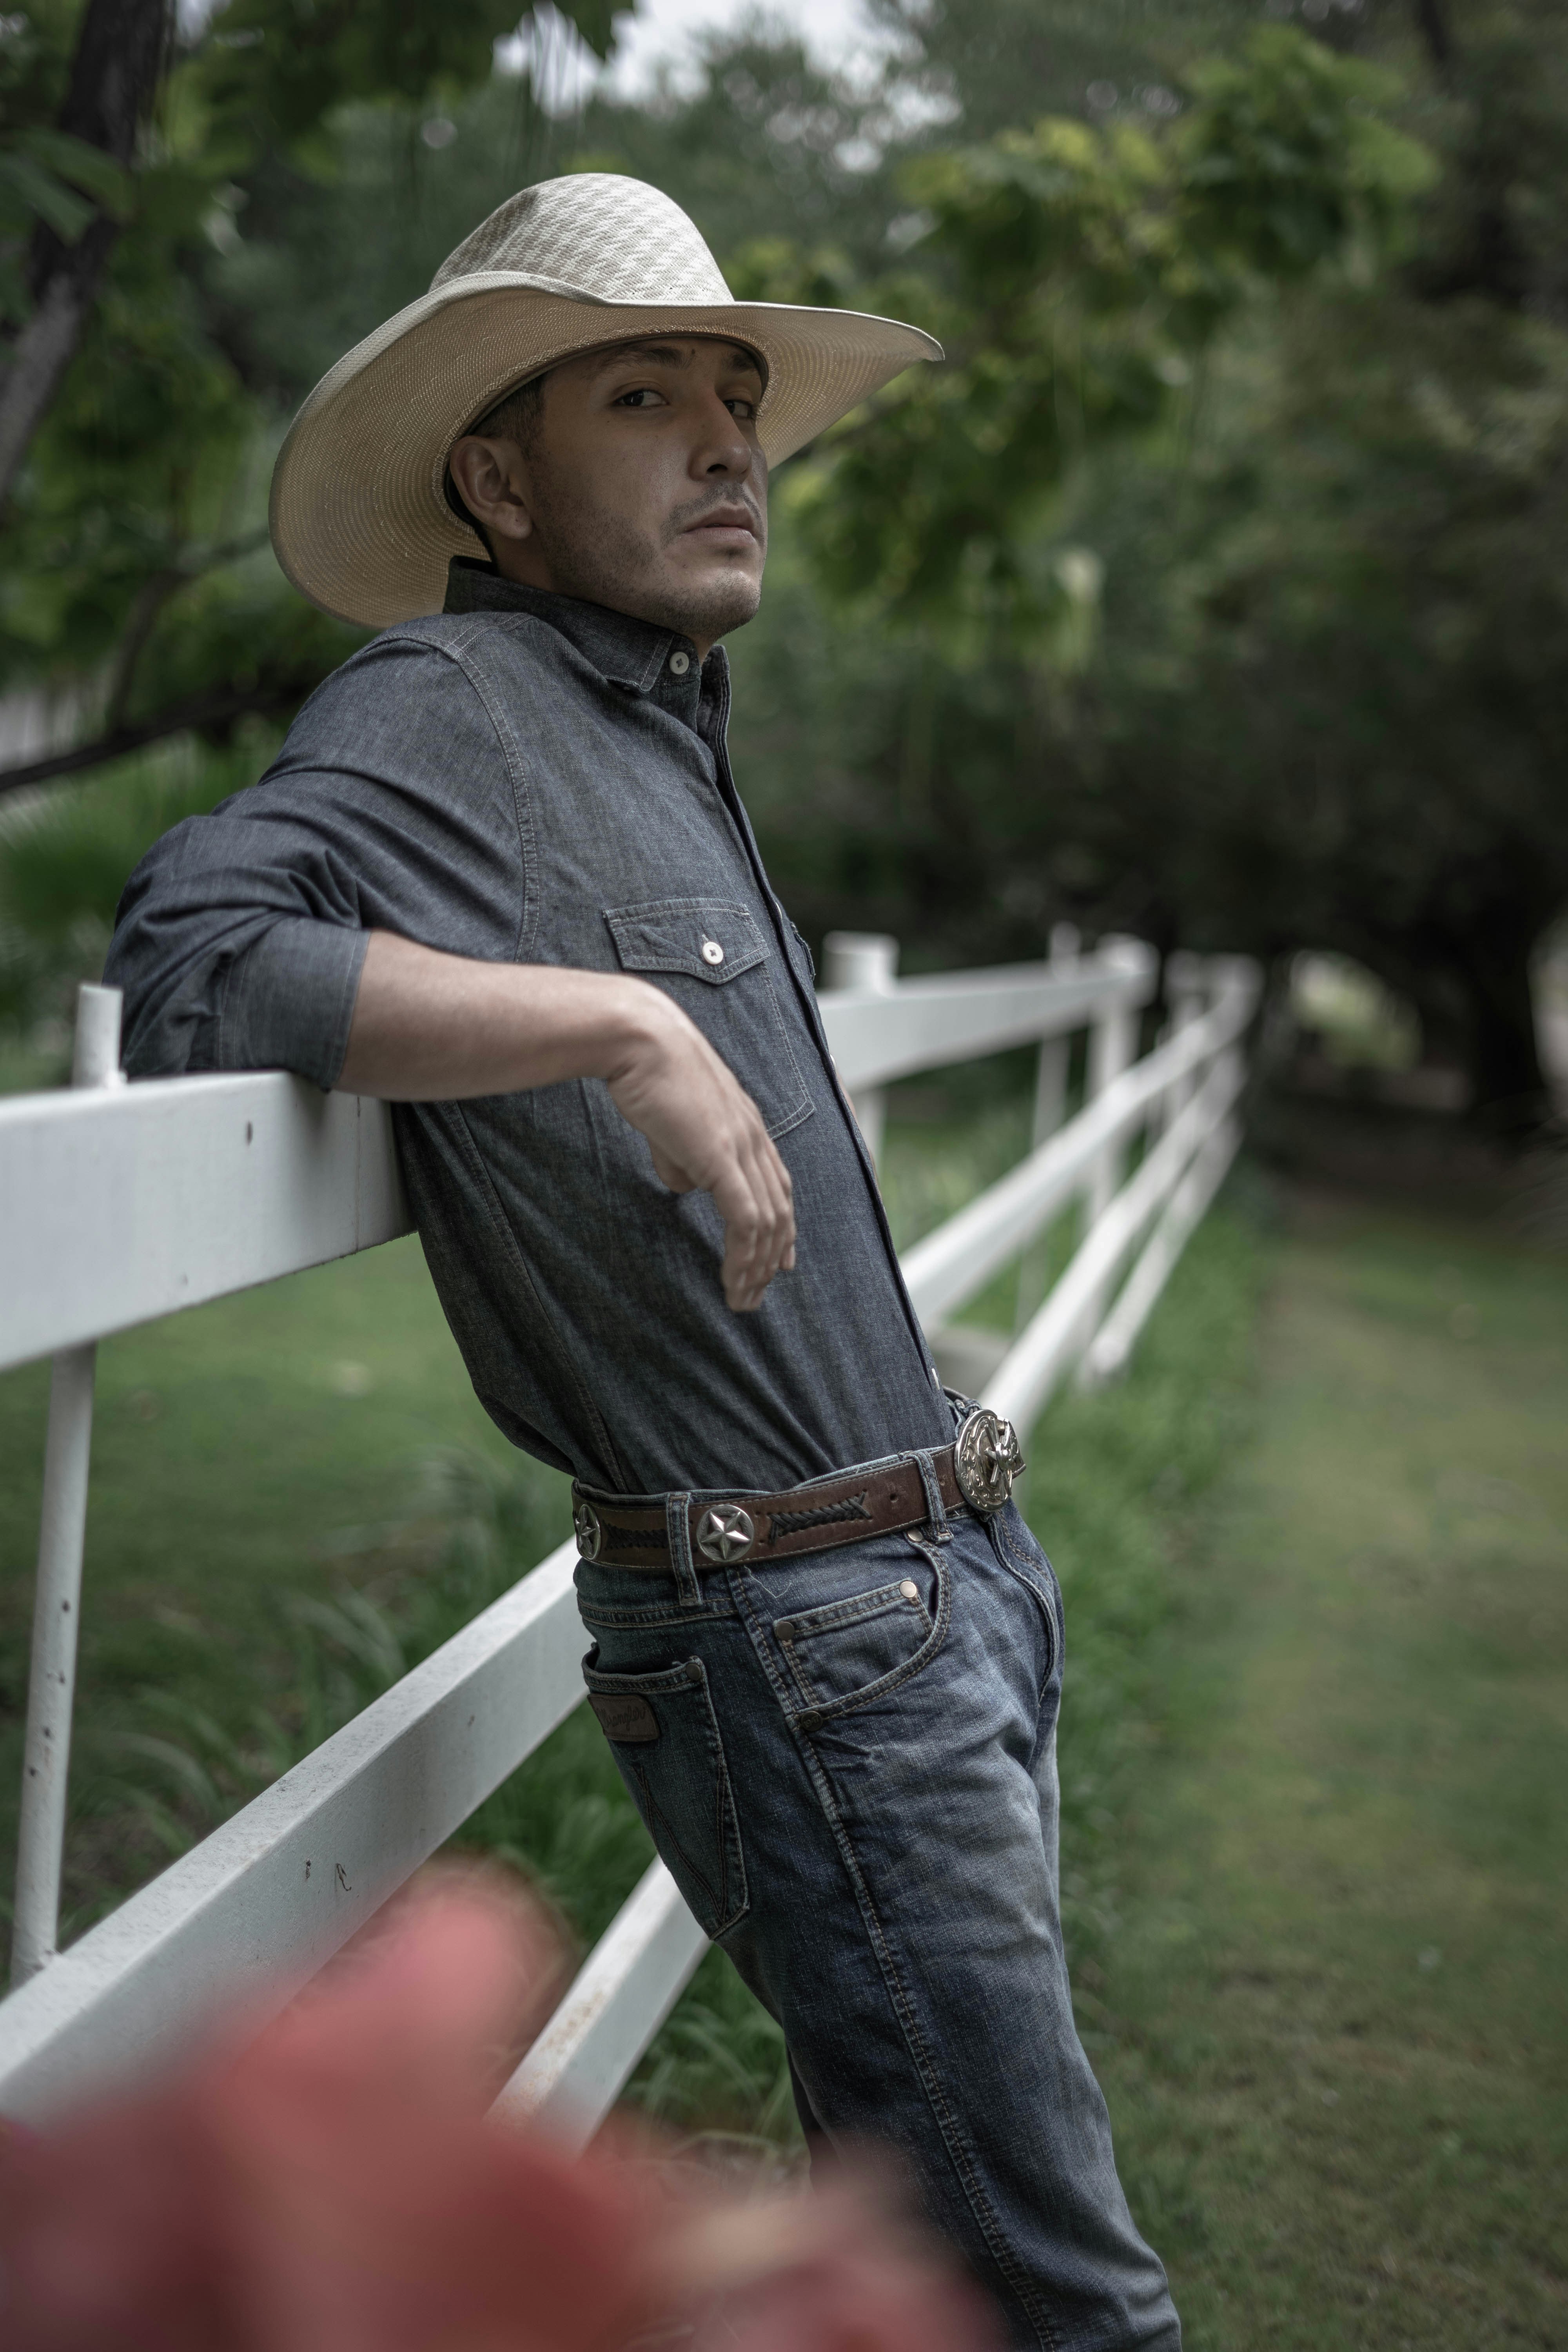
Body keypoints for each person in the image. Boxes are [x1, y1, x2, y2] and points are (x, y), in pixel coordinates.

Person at [105, 172, 1179, 2351]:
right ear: (496, 483)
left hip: (947, 1575)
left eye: (739, 401)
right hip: (809, 1625)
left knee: (934, 2264)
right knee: (1071, 2305)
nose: (726, 447)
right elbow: (193, 958)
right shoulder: (451, 696)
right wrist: (615, 1023)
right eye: (643, 397)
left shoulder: (653, 719)